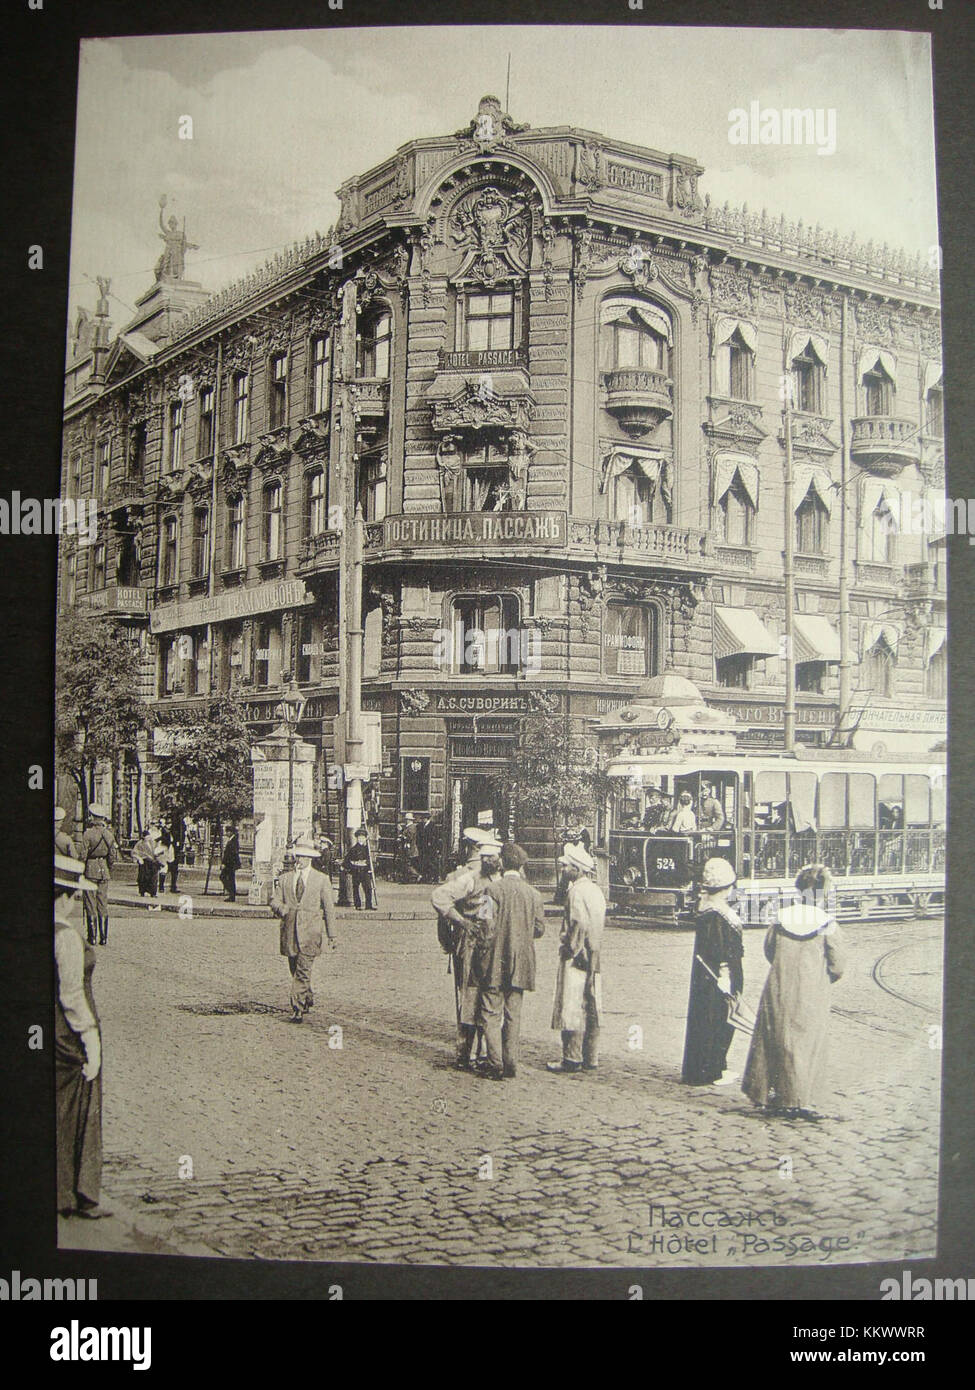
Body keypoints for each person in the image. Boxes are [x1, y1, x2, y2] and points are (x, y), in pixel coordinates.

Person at [742, 865, 846, 1120]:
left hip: (778, 986)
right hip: (811, 992)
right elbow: (838, 964)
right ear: (823, 893)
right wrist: (822, 976)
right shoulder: (827, 924)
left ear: (800, 889)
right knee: (806, 1044)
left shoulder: (781, 919)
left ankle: (766, 1095)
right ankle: (799, 1099)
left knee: (772, 1038)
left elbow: (769, 951)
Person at [55, 854, 110, 1219]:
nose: (74, 903)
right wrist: (90, 1038)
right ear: (63, 897)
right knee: (81, 1110)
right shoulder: (66, 936)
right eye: (73, 897)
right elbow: (72, 994)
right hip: (71, 1031)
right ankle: (81, 1192)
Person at [473, 842, 546, 1080]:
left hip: (494, 960)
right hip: (522, 963)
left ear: (502, 863)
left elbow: (484, 925)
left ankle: (495, 1063)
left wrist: (482, 955)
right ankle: (511, 1062)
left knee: (491, 1012)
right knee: (513, 1014)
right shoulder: (534, 895)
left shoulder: (491, 891)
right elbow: (539, 929)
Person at [431, 830, 501, 1069]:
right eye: (487, 856)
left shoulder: (501, 880)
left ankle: (483, 1052)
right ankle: (466, 1053)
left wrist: (446, 939)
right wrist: (462, 922)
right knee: (470, 997)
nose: (489, 861)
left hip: (492, 946)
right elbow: (440, 898)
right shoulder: (469, 877)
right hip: (471, 945)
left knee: (485, 998)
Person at [681, 857, 744, 1087]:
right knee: (718, 1021)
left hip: (707, 978)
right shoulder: (718, 915)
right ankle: (712, 1068)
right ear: (726, 887)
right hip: (720, 977)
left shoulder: (708, 910)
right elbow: (721, 952)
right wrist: (726, 975)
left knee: (707, 1019)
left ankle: (704, 1066)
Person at [548, 841, 606, 1076]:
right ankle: (591, 1056)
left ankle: (571, 1057)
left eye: (567, 867)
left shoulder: (575, 892)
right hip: (595, 953)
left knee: (572, 1005)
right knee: (592, 1005)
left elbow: (579, 923)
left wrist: (571, 947)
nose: (563, 870)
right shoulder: (595, 891)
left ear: (578, 869)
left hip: (577, 955)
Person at [270, 835, 338, 1023]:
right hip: (290, 932)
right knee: (295, 969)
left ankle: (297, 1008)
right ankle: (307, 995)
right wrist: (281, 908)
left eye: (301, 856)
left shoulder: (321, 880)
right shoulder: (285, 879)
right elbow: (274, 900)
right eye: (297, 856)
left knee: (302, 970)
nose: (298, 860)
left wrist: (332, 935)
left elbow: (329, 909)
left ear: (309, 858)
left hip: (310, 934)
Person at [79, 802, 117, 946]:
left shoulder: (88, 834)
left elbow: (83, 854)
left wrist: (81, 869)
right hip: (104, 871)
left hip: (91, 869)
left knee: (90, 901)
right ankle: (104, 937)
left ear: (92, 817)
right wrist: (108, 867)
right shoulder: (109, 834)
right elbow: (113, 855)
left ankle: (92, 937)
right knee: (103, 902)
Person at [344, 827, 376, 910]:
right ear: (357, 838)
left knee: (368, 888)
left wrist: (369, 866)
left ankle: (368, 905)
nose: (361, 839)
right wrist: (353, 866)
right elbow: (347, 861)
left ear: (365, 838)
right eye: (359, 838)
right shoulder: (353, 849)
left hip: (365, 871)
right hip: (356, 871)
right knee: (356, 888)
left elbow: (370, 861)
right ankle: (357, 905)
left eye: (363, 838)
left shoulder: (367, 850)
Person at [132, 828, 160, 909]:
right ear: (143, 837)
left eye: (149, 836)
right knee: (143, 877)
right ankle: (142, 891)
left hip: (152, 862)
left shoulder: (153, 842)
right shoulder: (139, 844)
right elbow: (134, 852)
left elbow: (156, 850)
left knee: (153, 877)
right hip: (144, 862)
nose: (148, 838)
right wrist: (138, 858)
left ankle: (153, 892)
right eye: (147, 837)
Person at [221, 827, 241, 902]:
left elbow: (230, 854)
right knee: (230, 879)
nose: (226, 833)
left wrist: (224, 863)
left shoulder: (233, 841)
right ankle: (231, 894)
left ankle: (231, 894)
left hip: (230, 864)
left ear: (231, 832)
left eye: (227, 832)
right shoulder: (232, 840)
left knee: (224, 877)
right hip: (231, 863)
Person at [155, 824, 174, 893]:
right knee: (162, 871)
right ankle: (160, 887)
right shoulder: (162, 845)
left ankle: (161, 887)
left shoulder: (164, 845)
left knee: (162, 871)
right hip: (162, 859)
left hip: (163, 859)